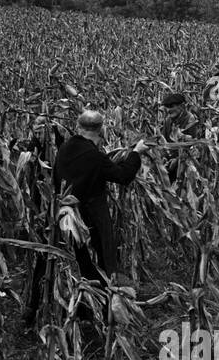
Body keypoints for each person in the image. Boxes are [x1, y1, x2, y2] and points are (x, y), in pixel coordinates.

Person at [37, 110, 147, 332]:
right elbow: (122, 176)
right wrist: (136, 153)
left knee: (78, 262)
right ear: (101, 129)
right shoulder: (94, 156)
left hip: (65, 217)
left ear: (78, 127)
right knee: (99, 261)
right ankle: (103, 310)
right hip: (90, 216)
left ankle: (76, 308)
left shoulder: (65, 148)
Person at [159, 91, 205, 182]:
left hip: (185, 165)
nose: (168, 110)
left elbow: (192, 147)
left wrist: (177, 160)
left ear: (182, 106)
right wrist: (164, 157)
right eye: (167, 107)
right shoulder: (168, 121)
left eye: (171, 106)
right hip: (169, 163)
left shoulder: (191, 120)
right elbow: (163, 142)